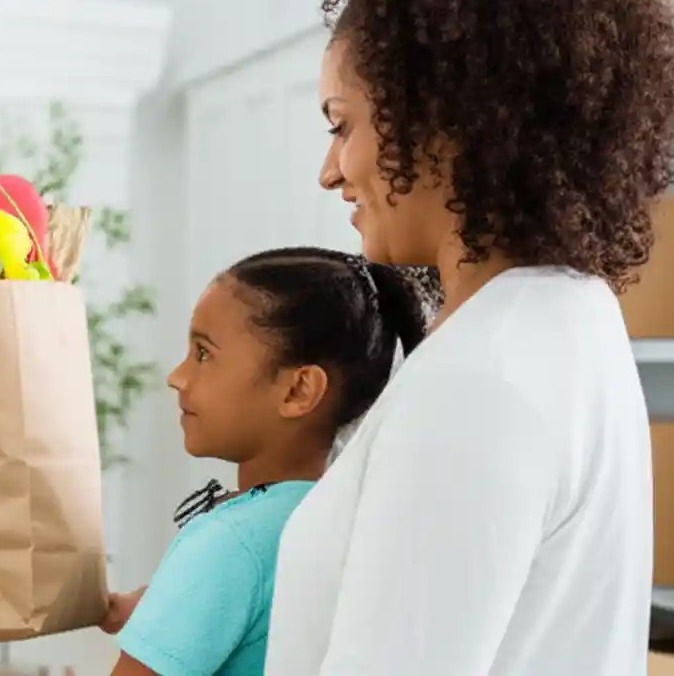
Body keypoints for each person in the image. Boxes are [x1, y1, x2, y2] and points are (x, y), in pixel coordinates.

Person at [264, 0, 674, 674]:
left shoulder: (480, 380)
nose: (330, 170)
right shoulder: (570, 312)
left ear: (441, 117)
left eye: (343, 125)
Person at [101, 247, 435, 675]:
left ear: (298, 391)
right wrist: (163, 608)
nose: (177, 376)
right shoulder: (345, 518)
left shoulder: (230, 542)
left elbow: (236, 570)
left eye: (204, 354)